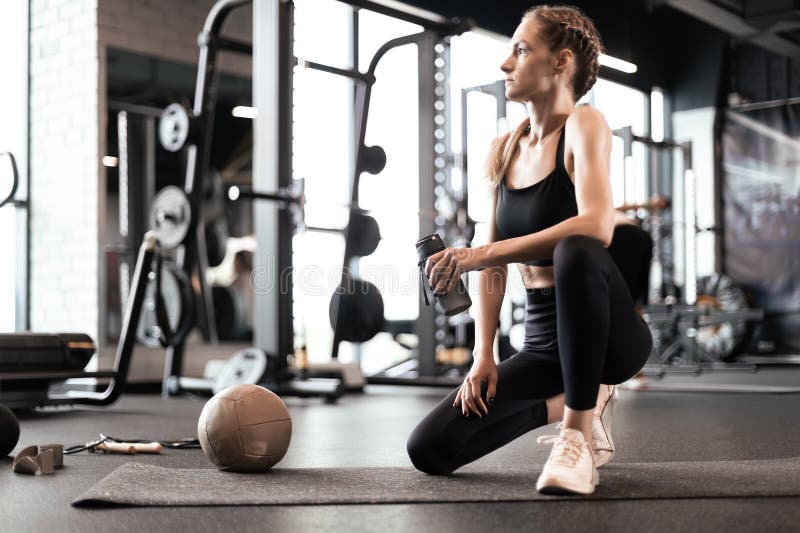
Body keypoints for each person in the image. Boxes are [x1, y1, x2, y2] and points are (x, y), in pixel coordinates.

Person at [406, 5, 652, 495]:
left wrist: (478, 254)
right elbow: (494, 263)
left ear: (561, 61)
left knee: (576, 247)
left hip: (608, 338)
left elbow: (599, 225)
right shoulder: (505, 148)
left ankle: (577, 437)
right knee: (430, 448)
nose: (506, 63)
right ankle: (581, 403)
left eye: (520, 50)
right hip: (541, 342)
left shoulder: (584, 124)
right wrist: (484, 354)